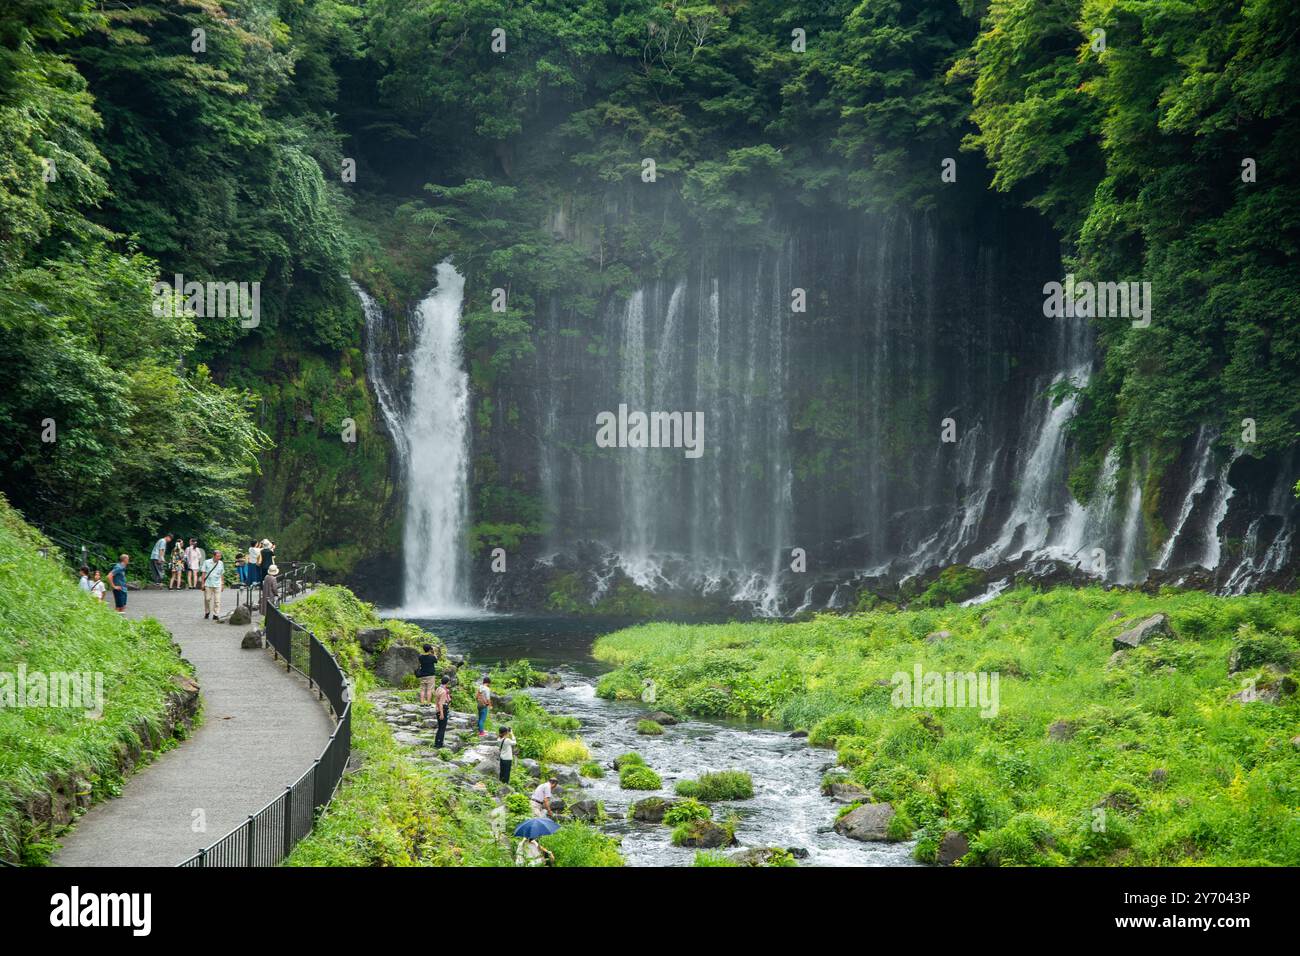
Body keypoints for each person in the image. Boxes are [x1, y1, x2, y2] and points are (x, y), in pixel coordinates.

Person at [200, 549, 224, 620]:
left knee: (217, 600)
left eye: (220, 556)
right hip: (208, 584)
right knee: (207, 599)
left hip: (218, 584)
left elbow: (222, 574)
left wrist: (222, 584)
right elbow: (203, 573)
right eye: (217, 556)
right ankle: (207, 612)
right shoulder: (207, 562)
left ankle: (216, 614)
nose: (219, 558)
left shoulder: (221, 563)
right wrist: (202, 583)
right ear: (213, 556)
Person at [433, 676, 451, 749]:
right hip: (442, 710)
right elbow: (441, 703)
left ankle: (437, 743)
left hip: (437, 709)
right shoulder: (443, 692)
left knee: (440, 728)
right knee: (442, 728)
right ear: (447, 682)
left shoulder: (438, 688)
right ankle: (439, 744)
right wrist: (442, 714)